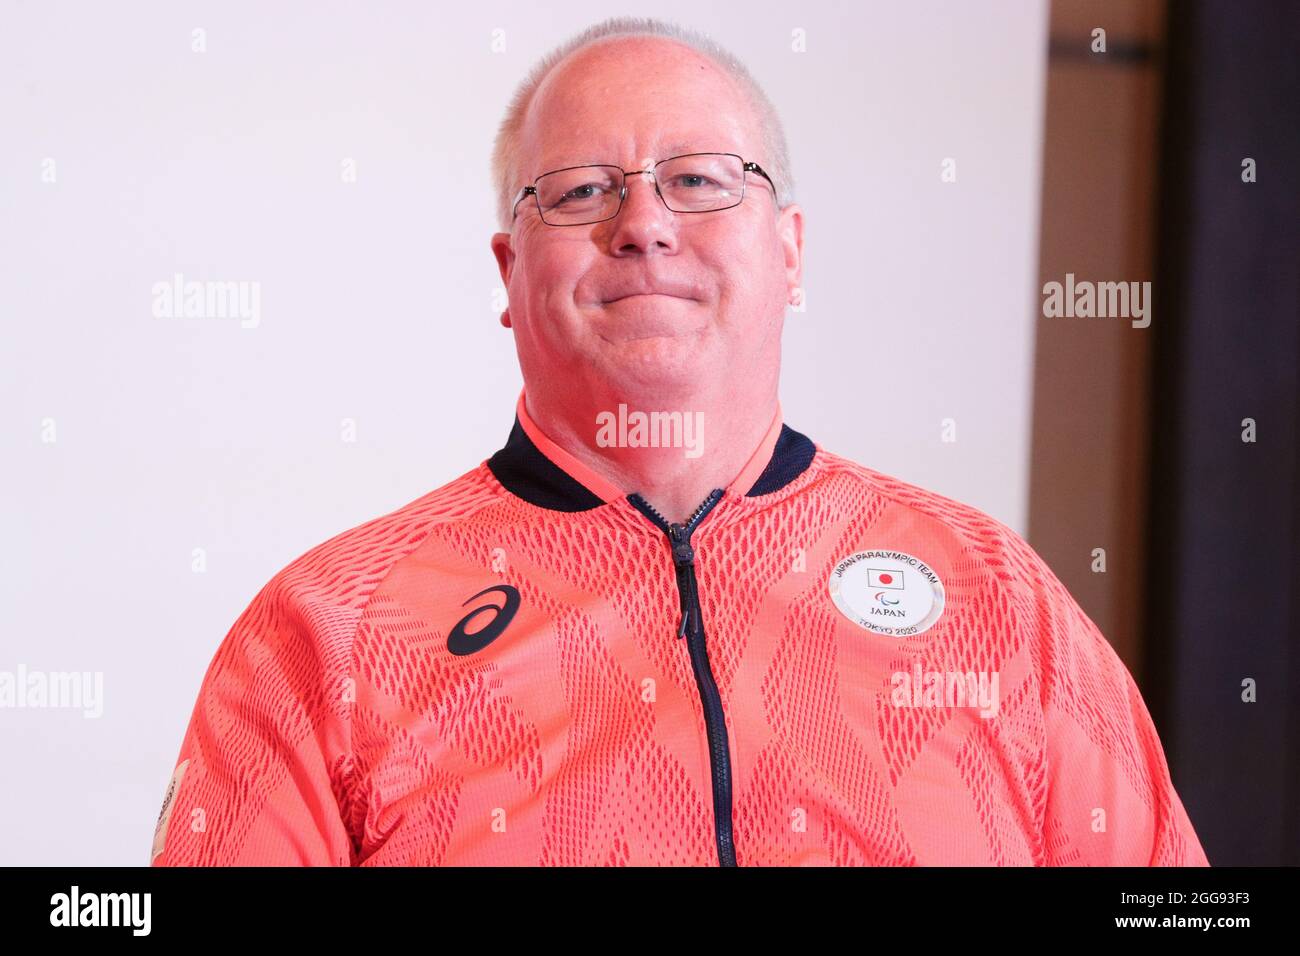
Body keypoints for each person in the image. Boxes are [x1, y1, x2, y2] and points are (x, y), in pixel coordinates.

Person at [150, 16, 1209, 866]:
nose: (643, 224)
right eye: (579, 192)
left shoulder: (996, 602)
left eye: (700, 180)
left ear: (789, 252)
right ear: (509, 274)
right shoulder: (325, 633)